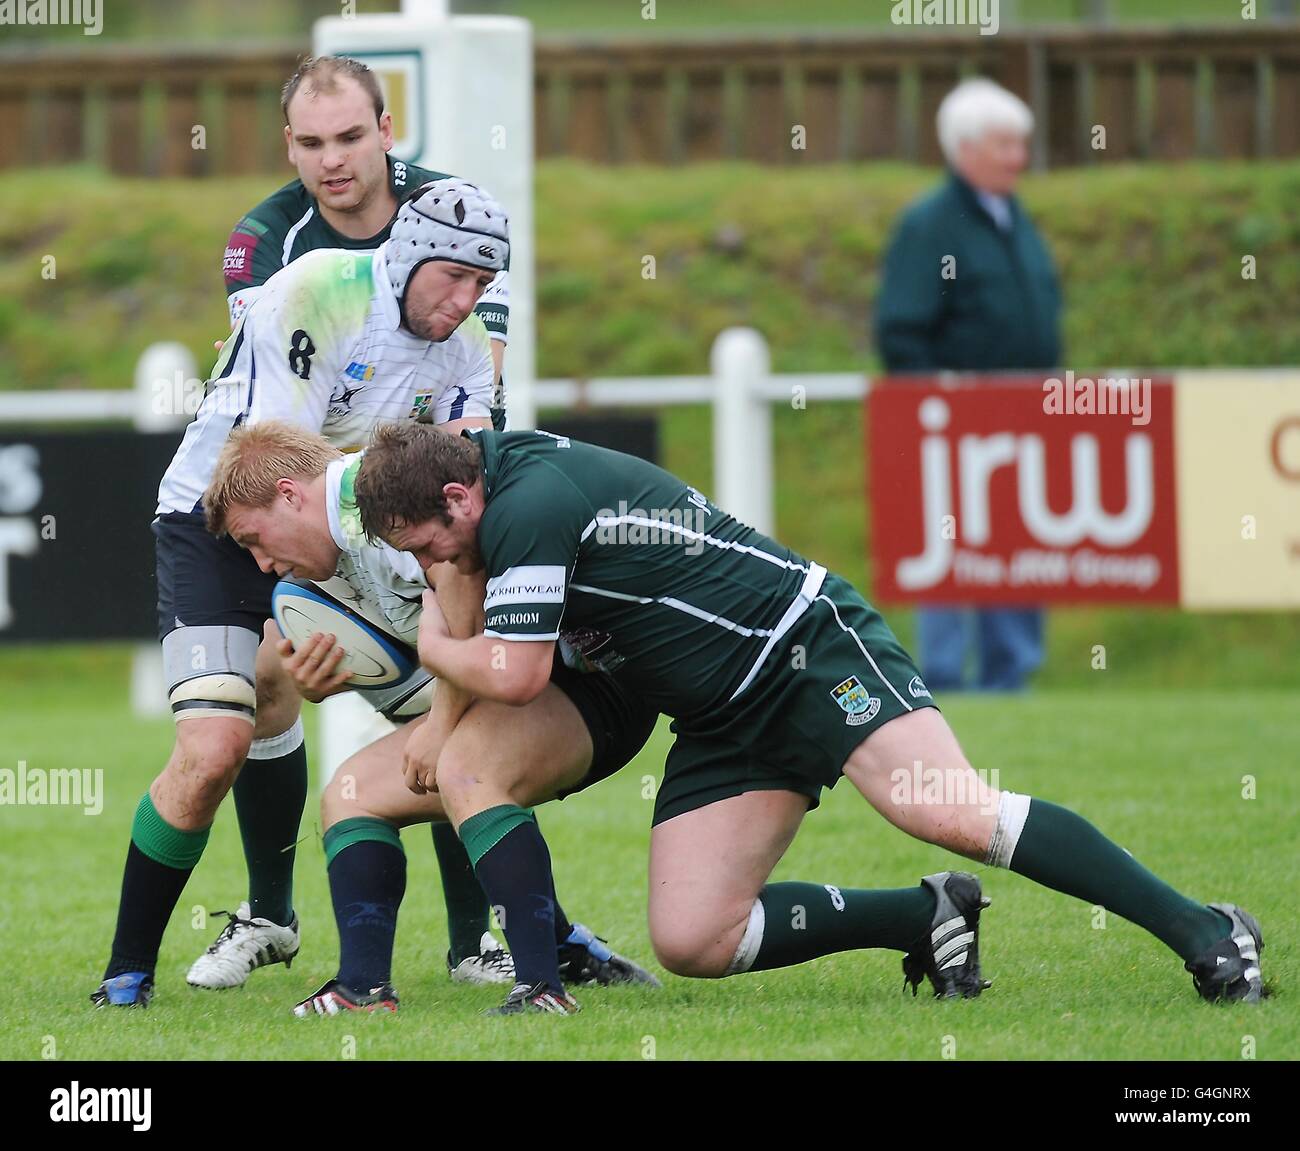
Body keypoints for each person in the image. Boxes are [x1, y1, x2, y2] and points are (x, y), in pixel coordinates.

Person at [349, 423, 1265, 1008]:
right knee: (692, 938)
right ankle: (923, 919)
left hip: (805, 644)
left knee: (944, 808)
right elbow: (483, 623)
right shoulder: (476, 479)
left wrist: (430, 639)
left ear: (459, 497)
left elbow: (512, 674)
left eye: (428, 544)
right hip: (721, 712)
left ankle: (1207, 931)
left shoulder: (529, 507)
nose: (432, 564)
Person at [93, 177, 523, 1009]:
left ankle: (504, 939)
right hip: (224, 514)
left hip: (342, 524)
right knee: (215, 743)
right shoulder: (317, 290)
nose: (464, 300)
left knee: (458, 721)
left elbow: (460, 498)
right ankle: (127, 973)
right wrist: (312, 611)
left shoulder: (467, 346)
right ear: (404, 257)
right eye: (451, 278)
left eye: (481, 285)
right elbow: (282, 470)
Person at [201, 54, 514, 989]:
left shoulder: (452, 209)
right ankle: (270, 913)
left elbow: (479, 363)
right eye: (311, 142)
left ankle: (478, 942)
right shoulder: (264, 242)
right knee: (267, 678)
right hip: (309, 492)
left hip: (422, 481)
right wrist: (316, 550)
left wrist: (425, 486)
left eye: (350, 136)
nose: (333, 160)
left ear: (387, 128)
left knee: (451, 686)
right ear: (289, 145)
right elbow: (277, 433)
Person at [200, 424, 660, 1014]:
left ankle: (543, 989)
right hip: (524, 683)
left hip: (597, 683)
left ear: (290, 495)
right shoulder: (322, 563)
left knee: (464, 768)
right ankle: (363, 991)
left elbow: (460, 581)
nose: (262, 564)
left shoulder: (370, 499)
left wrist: (440, 728)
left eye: (255, 539)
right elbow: (420, 658)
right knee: (350, 792)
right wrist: (324, 683)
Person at [875, 78, 1057, 692]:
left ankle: (1012, 675)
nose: (1018, 158)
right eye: (1005, 145)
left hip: (1023, 419)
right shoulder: (932, 224)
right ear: (965, 148)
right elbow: (901, 329)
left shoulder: (1013, 217)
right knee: (951, 546)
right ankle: (945, 678)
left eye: (1020, 144)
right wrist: (943, 402)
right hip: (953, 427)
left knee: (1016, 539)